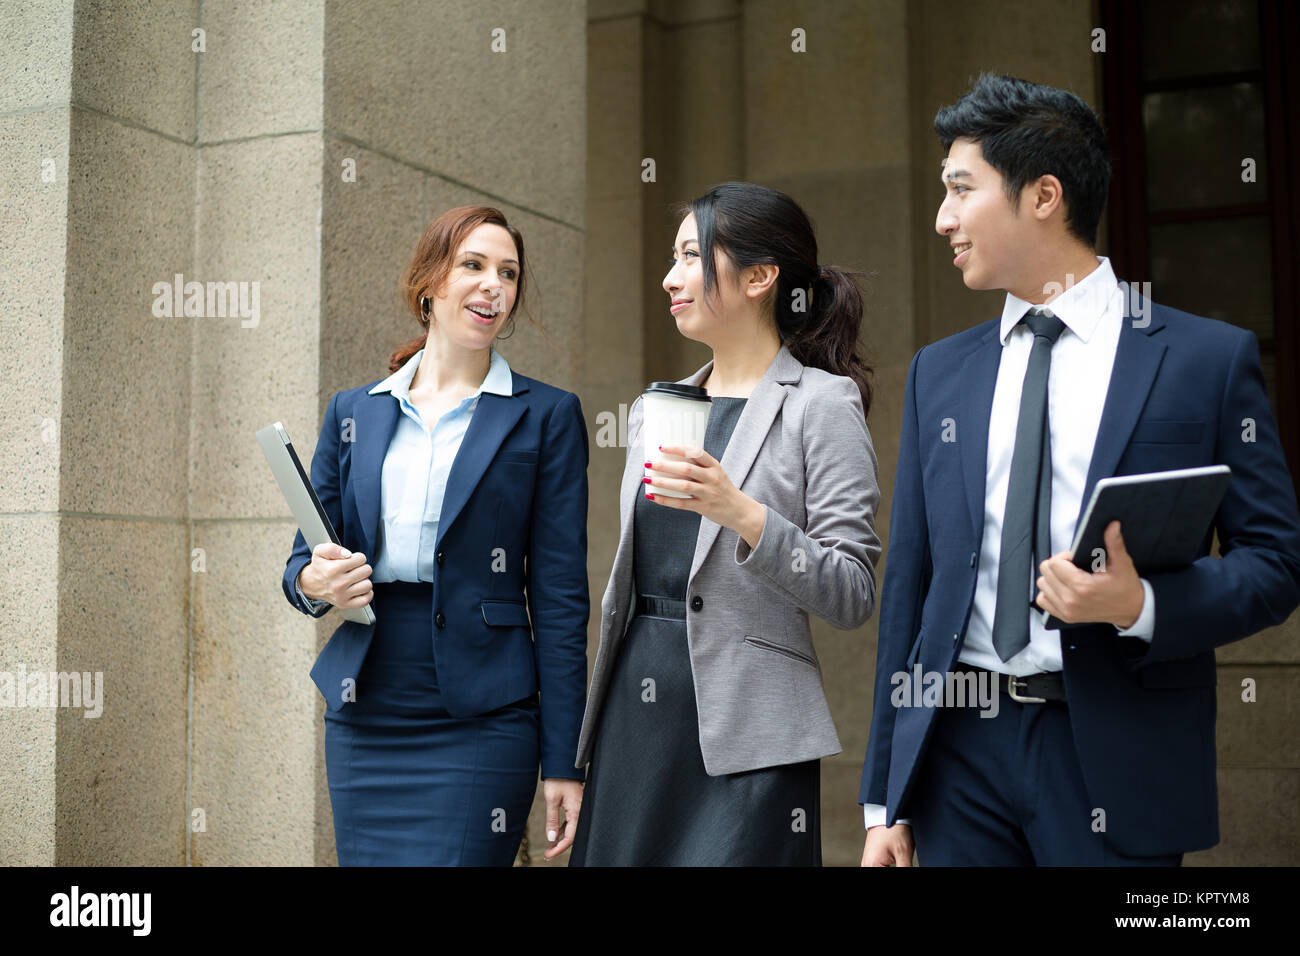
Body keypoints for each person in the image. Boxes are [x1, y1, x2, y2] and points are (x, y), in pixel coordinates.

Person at [859, 74, 1300, 866]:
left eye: (962, 190)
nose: (942, 219)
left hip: (1113, 756)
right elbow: (912, 589)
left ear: (1044, 196)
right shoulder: (939, 373)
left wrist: (1141, 604)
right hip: (957, 757)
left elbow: (1275, 564)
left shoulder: (1203, 360)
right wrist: (883, 797)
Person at [571, 182, 882, 865]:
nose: (668, 278)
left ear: (759, 277)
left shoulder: (823, 405)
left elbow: (853, 592)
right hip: (638, 705)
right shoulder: (657, 407)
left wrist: (741, 513)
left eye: (689, 256)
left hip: (753, 727)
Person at [280, 205, 589, 866]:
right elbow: (301, 566)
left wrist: (566, 760)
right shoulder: (353, 410)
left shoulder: (547, 416)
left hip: (487, 716)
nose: (493, 285)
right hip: (368, 707)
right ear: (429, 283)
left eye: (508, 272)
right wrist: (316, 581)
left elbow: (562, 600)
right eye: (473, 265)